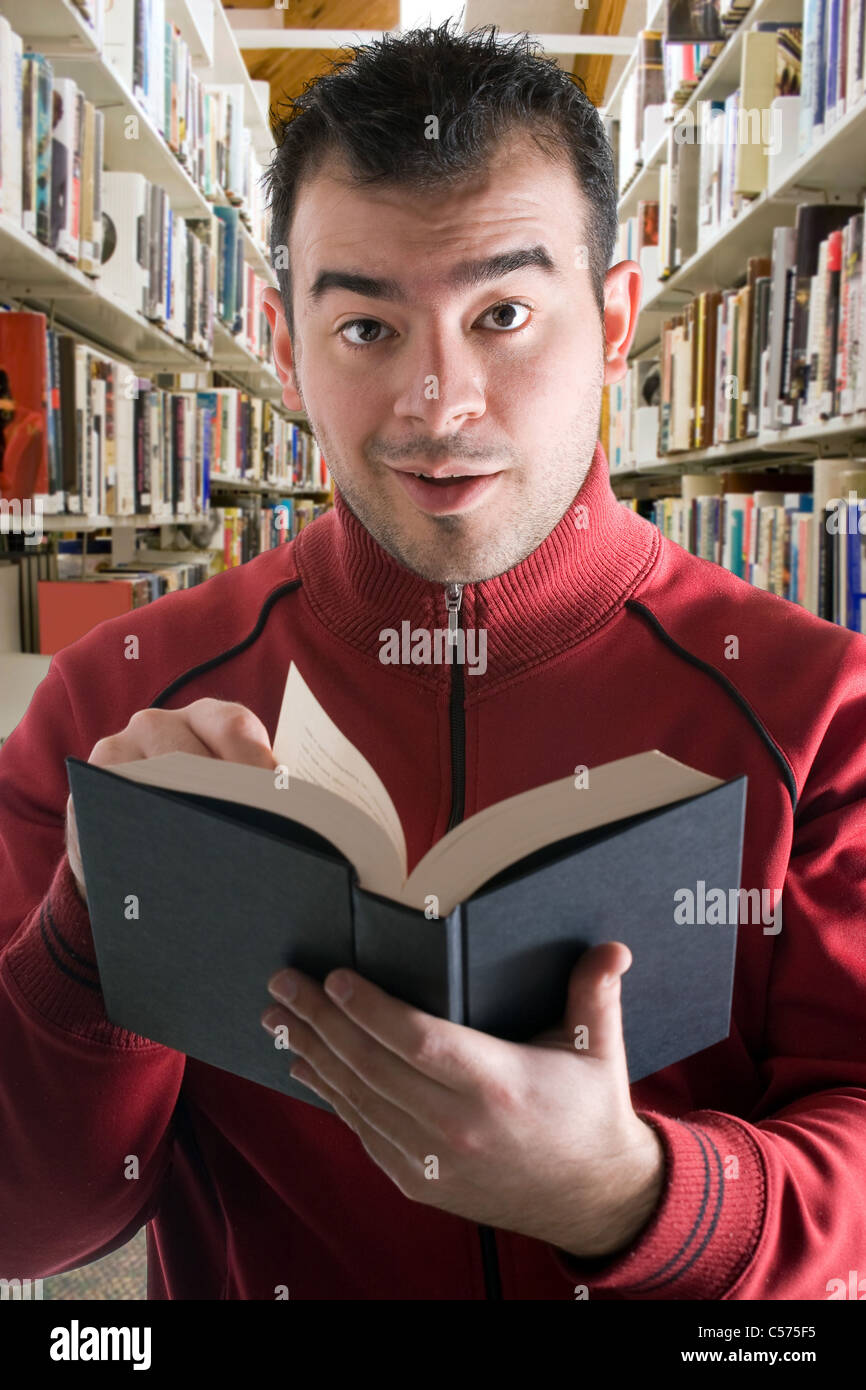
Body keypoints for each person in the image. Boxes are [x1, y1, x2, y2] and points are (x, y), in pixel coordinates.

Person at [1, 21, 865, 1302]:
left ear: (614, 320)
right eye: (365, 328)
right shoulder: (115, 702)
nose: (439, 399)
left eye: (503, 313)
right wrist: (91, 943)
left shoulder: (821, 705)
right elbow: (24, 1228)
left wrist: (628, 1194)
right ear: (285, 352)